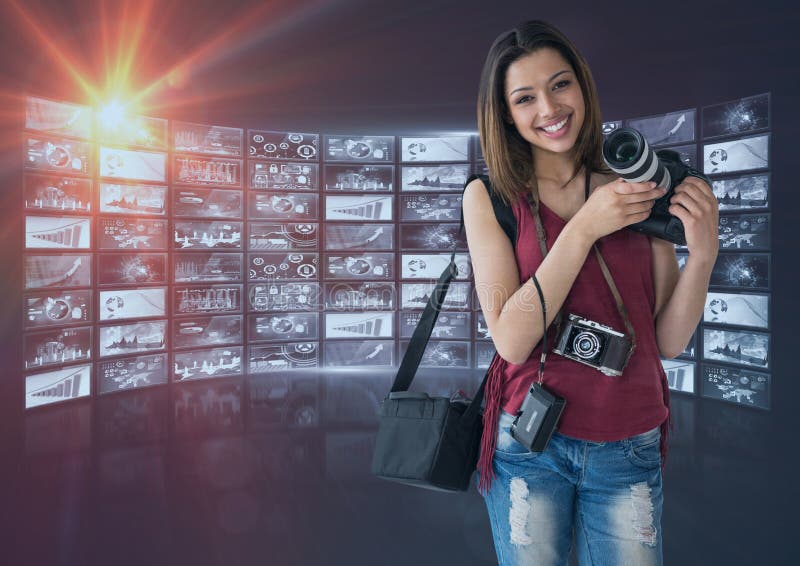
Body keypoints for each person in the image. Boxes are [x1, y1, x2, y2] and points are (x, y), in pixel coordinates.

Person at [462, 20, 719, 566]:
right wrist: (583, 227)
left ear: (582, 85)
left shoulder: (637, 180)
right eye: (525, 97)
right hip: (530, 442)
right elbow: (511, 338)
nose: (549, 108)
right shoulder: (490, 196)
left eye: (560, 85)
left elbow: (668, 340)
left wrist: (704, 255)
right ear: (506, 113)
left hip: (630, 440)